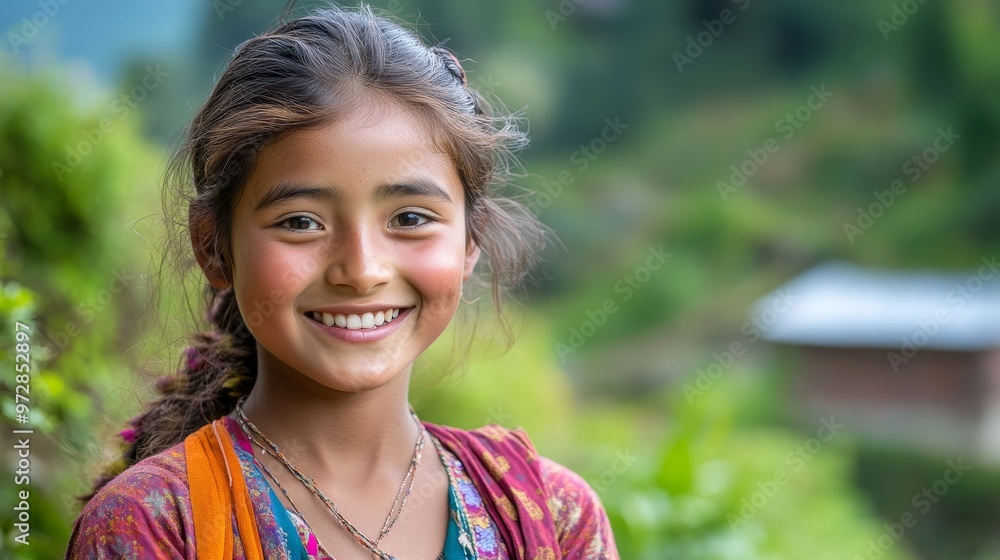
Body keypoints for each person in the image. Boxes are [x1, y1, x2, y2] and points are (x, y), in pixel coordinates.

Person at [67, 4, 618, 559]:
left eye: (409, 218)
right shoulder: (155, 523)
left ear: (469, 240)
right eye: (301, 222)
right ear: (213, 244)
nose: (361, 270)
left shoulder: (551, 516)